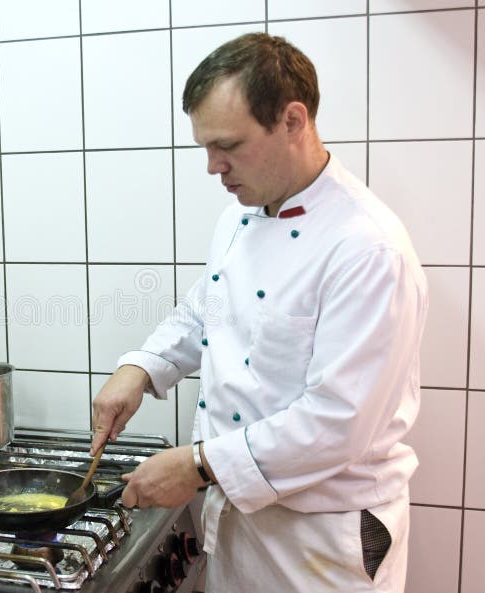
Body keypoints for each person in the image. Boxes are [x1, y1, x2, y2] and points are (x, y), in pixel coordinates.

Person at [89, 32, 428, 593]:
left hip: (322, 539)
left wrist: (196, 466)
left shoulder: (367, 248)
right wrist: (141, 367)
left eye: (228, 144)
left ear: (293, 121)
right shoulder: (240, 215)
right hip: (242, 515)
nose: (212, 166)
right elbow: (206, 310)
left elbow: (335, 424)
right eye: (205, 146)